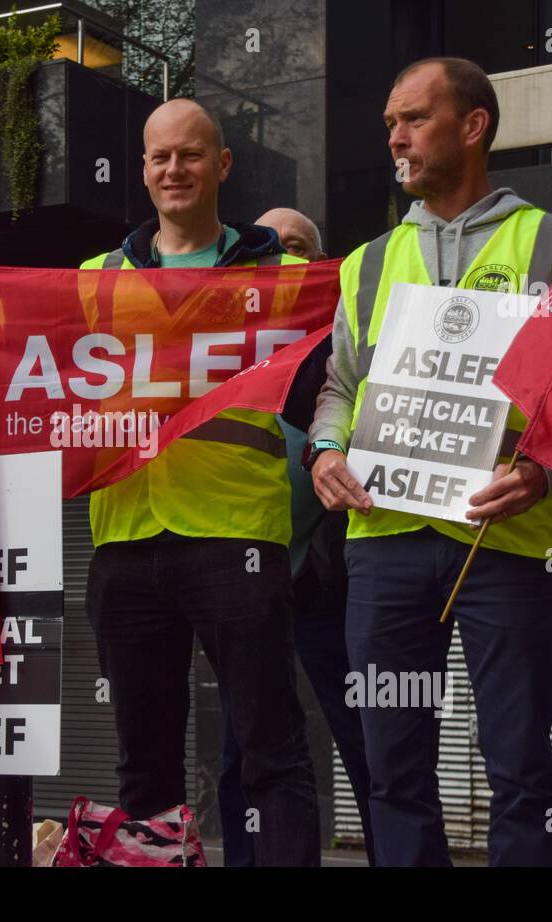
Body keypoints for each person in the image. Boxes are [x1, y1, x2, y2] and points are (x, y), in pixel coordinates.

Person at [308, 57, 552, 866]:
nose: (395, 137)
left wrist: (548, 475)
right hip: (382, 544)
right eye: (390, 122)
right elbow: (339, 386)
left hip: (506, 543)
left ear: (474, 126)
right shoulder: (366, 263)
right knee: (392, 770)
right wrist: (326, 450)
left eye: (414, 119)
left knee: (521, 769)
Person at [79, 98, 322, 867]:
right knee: (142, 767)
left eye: (190, 155)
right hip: (123, 538)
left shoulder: (286, 275)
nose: (174, 170)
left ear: (221, 166)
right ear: (143, 172)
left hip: (237, 537)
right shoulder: (90, 280)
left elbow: (333, 390)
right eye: (159, 158)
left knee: (270, 751)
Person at [217, 210, 377, 866]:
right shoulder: (220, 349)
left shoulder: (346, 353)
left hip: (325, 584)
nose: (282, 263)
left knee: (367, 743)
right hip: (245, 585)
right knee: (241, 752)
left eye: (296, 250)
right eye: (269, 250)